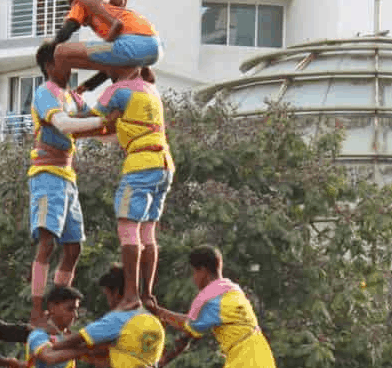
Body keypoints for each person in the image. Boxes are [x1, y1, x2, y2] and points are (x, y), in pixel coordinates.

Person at [28, 42, 118, 328]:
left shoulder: (72, 97)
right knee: (47, 242)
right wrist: (102, 121)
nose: (69, 66)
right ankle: (38, 310)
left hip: (67, 177)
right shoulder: (45, 93)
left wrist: (123, 124)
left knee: (73, 248)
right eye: (64, 61)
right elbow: (67, 125)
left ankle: (58, 305)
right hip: (47, 173)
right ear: (49, 66)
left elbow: (97, 128)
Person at [89, 65, 174, 311]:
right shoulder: (151, 92)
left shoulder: (118, 90)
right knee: (148, 233)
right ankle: (147, 294)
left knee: (128, 229)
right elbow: (115, 128)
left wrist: (66, 115)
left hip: (140, 165)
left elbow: (90, 119)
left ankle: (130, 294)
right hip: (163, 165)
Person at [145, 246, 276, 368]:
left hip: (245, 359)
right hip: (262, 354)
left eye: (194, 272)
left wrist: (157, 311)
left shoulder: (208, 298)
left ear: (203, 271)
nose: (194, 279)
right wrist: (161, 363)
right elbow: (186, 337)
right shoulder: (233, 289)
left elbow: (187, 325)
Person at [48, 265, 165, 368]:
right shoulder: (154, 322)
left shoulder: (118, 319)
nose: (108, 302)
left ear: (116, 292)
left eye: (107, 295)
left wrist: (51, 345)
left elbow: (77, 340)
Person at [51, 0, 162, 90]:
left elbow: (68, 28)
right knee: (117, 65)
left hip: (133, 43)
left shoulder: (81, 3)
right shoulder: (111, 10)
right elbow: (108, 62)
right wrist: (87, 86)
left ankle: (58, 94)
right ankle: (146, 92)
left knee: (60, 51)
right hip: (154, 48)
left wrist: (50, 48)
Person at [25, 286, 94, 368]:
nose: (75, 315)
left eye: (76, 310)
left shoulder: (65, 337)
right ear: (52, 307)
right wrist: (82, 350)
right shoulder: (39, 334)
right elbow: (49, 357)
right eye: (70, 309)